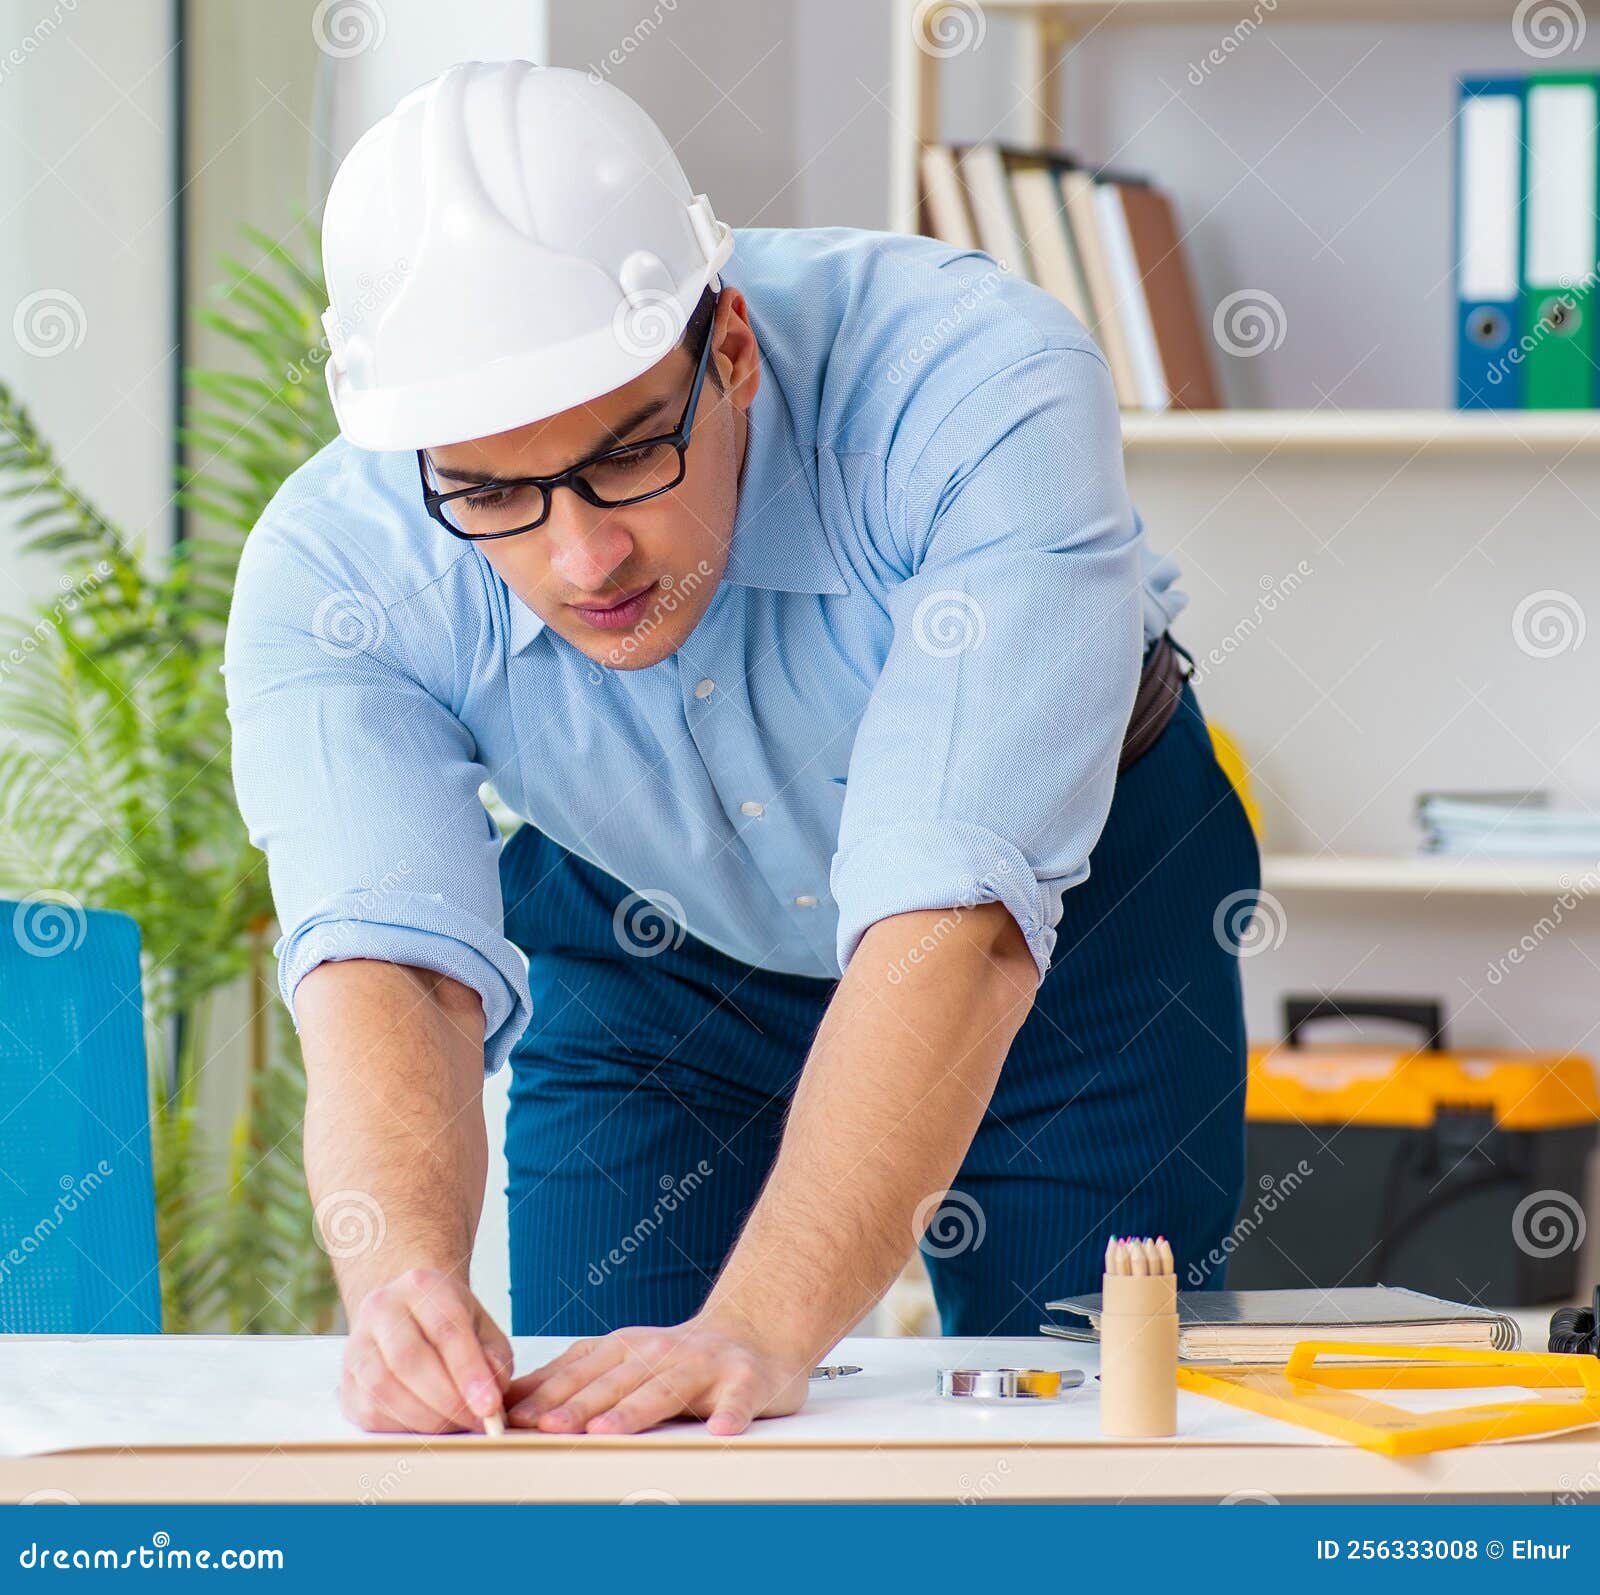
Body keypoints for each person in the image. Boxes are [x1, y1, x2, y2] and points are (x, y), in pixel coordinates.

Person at [224, 60, 1259, 1438]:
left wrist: (769, 1323)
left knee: (1091, 1433)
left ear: (732, 350)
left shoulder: (975, 386)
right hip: (650, 949)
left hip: (1073, 927)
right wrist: (402, 1276)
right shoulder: (334, 571)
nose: (582, 555)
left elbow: (958, 921)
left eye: (629, 457)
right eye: (492, 493)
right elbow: (390, 967)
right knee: (607, 1445)